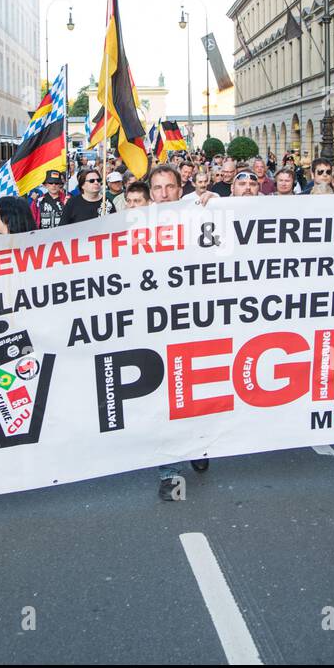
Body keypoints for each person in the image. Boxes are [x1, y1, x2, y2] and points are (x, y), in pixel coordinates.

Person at [147, 163, 213, 496]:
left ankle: (199, 446)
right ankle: (169, 471)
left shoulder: (199, 214)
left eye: (169, 187)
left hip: (193, 325)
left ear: (179, 187)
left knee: (195, 392)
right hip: (157, 329)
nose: (163, 194)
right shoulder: (136, 226)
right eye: (156, 188)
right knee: (164, 399)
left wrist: (214, 208)